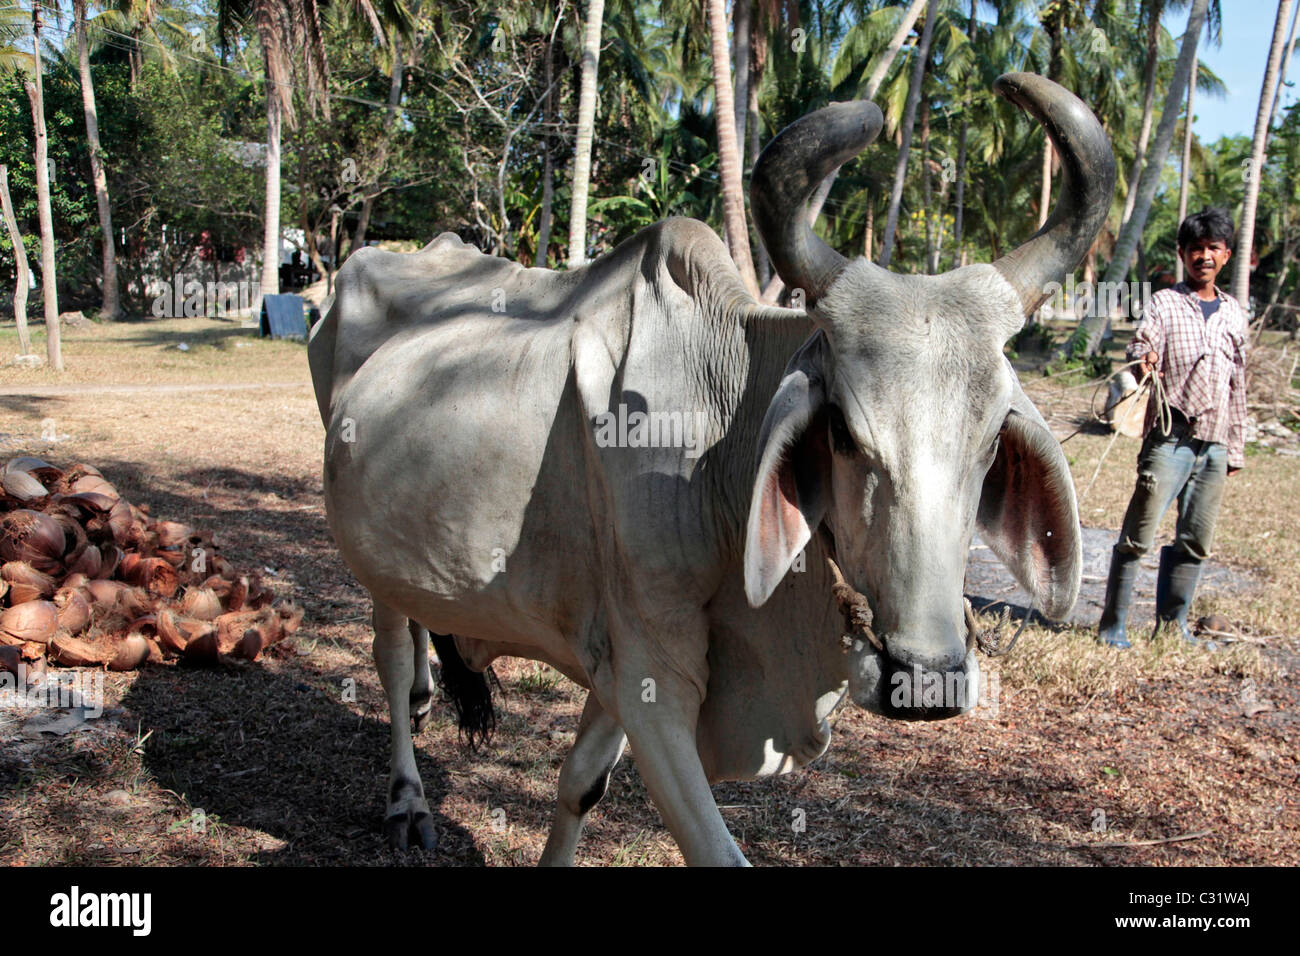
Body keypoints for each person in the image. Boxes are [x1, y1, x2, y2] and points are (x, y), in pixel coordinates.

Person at [1097, 208, 1248, 649]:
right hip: (1170, 439)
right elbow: (1143, 340)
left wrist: (1233, 452)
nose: (1204, 256)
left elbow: (1240, 386)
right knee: (1137, 538)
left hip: (1214, 445)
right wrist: (1145, 358)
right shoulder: (1164, 302)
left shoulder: (1235, 313)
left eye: (1212, 249)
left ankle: (1173, 625)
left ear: (1226, 256)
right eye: (1195, 248)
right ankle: (1113, 627)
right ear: (1183, 254)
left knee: (1195, 541)